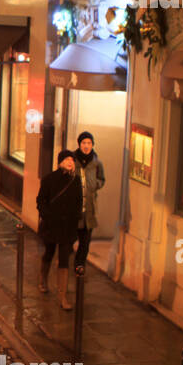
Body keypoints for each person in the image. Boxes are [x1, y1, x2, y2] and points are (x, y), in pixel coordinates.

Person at [37, 151, 82, 310]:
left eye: (72, 160)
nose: (70, 162)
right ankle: (43, 279)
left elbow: (78, 202)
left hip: (67, 226)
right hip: (51, 224)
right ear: (60, 162)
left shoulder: (76, 180)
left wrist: (76, 220)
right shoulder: (49, 179)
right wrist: (47, 216)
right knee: (49, 252)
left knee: (64, 259)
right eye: (67, 160)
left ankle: (62, 296)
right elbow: (40, 200)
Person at [73, 131, 105, 270]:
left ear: (92, 145)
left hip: (89, 210)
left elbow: (102, 179)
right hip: (74, 209)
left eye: (89, 143)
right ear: (79, 144)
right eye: (84, 143)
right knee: (70, 240)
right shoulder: (73, 161)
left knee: (85, 242)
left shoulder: (96, 162)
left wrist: (95, 185)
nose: (86, 146)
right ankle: (65, 263)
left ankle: (79, 266)